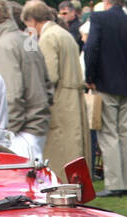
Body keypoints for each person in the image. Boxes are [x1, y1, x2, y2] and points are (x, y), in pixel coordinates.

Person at [84, 0, 127, 195]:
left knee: (109, 135)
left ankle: (115, 184)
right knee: (126, 134)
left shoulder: (99, 19)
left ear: (106, 2)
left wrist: (90, 77)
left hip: (105, 84)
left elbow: (91, 48)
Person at [24, 1, 91, 181]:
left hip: (61, 99)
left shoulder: (48, 37)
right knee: (75, 146)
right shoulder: (63, 33)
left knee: (62, 149)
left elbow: (49, 75)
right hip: (73, 96)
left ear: (32, 20)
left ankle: (63, 184)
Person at [0, 0, 50, 160]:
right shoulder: (27, 40)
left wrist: (4, 135)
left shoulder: (3, 47)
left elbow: (12, 96)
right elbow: (47, 85)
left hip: (20, 133)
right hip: (36, 125)